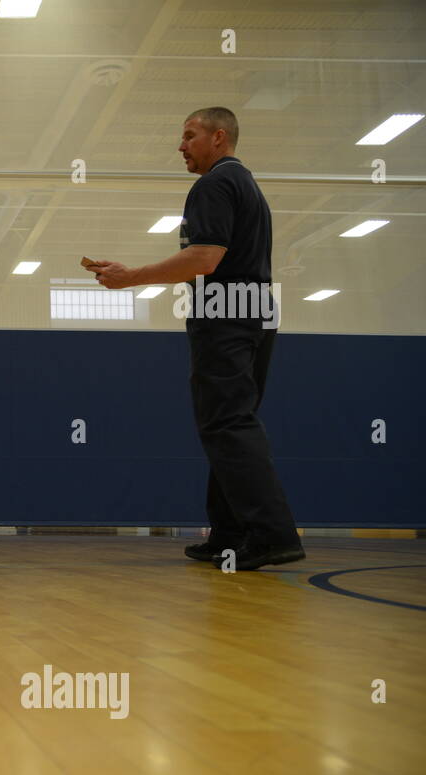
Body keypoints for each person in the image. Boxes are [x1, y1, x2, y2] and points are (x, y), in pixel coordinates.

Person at [87, 107, 305, 571]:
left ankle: (271, 535)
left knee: (227, 424)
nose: (180, 145)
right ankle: (229, 535)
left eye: (189, 136)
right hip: (255, 310)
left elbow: (204, 259)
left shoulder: (214, 184)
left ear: (218, 138)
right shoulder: (245, 184)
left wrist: (131, 278)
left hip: (227, 315)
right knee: (228, 423)